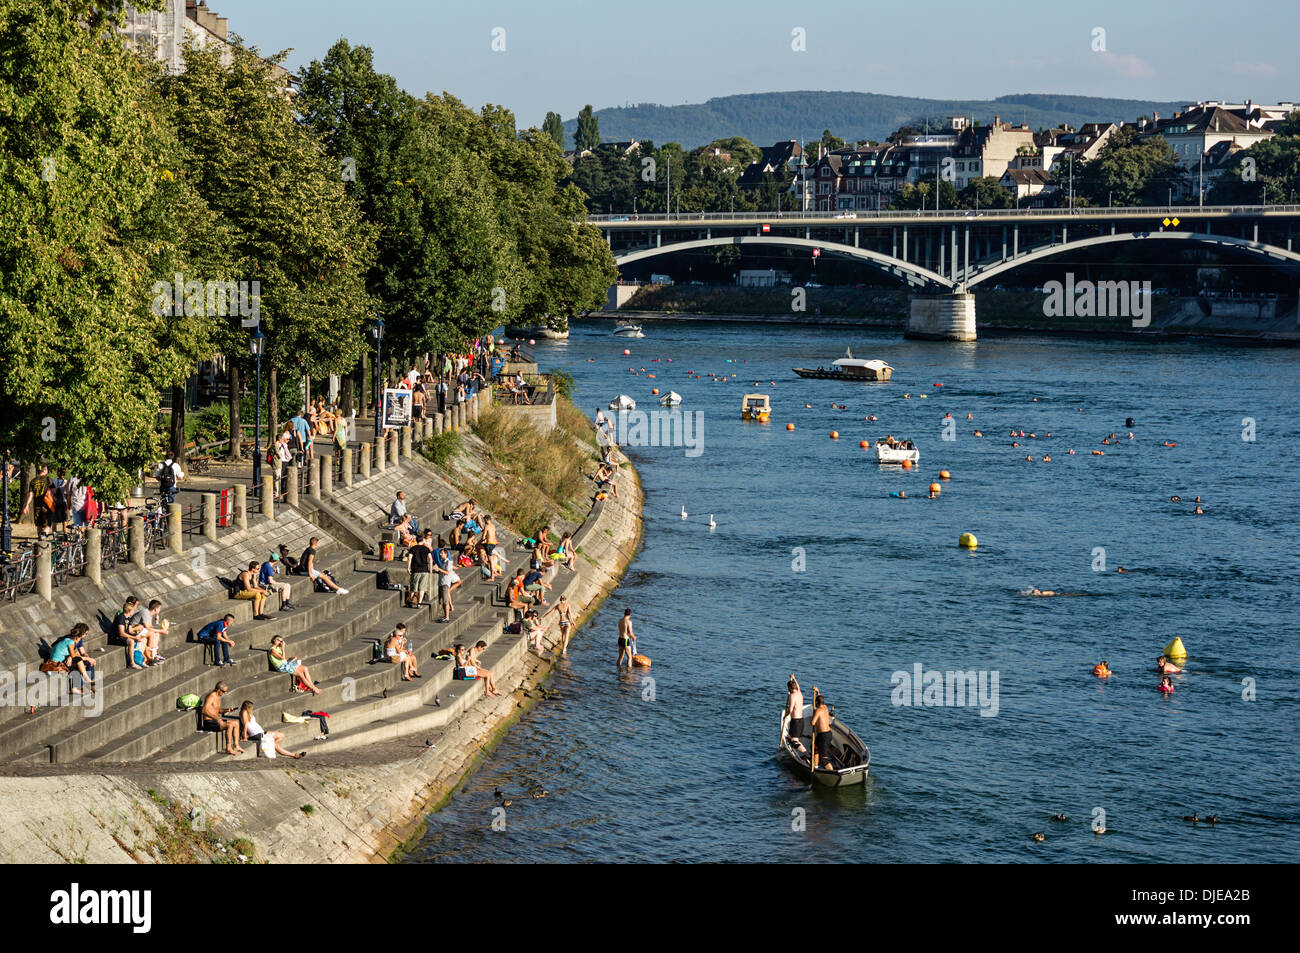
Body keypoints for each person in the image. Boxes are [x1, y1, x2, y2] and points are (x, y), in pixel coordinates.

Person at [238, 700, 304, 759]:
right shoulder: (244, 712)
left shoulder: (247, 713)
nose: (252, 709)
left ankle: (294, 755)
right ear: (248, 707)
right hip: (257, 734)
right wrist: (244, 737)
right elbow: (246, 725)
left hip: (260, 733)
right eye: (251, 707)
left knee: (277, 744)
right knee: (281, 735)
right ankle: (293, 754)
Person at [200, 682, 243, 755]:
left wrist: (227, 710)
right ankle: (228, 748)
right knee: (229, 725)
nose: (225, 693)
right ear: (218, 690)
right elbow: (204, 710)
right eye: (223, 691)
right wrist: (217, 719)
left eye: (226, 691)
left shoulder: (218, 696)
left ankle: (236, 746)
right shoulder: (211, 696)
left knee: (236, 723)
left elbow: (218, 710)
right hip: (209, 722)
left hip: (215, 720)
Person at [113, 597, 149, 670]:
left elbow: (129, 631)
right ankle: (132, 663)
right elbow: (122, 633)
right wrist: (134, 638)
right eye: (133, 610)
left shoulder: (128, 618)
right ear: (130, 610)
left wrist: (138, 634)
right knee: (131, 641)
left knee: (142, 638)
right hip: (116, 638)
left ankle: (140, 660)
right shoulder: (121, 618)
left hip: (123, 636)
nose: (134, 611)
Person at [20, 463, 56, 537]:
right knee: (47, 524)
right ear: (45, 470)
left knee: (39, 525)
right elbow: (53, 492)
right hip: (47, 506)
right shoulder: (48, 479)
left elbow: (30, 495)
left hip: (37, 506)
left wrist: (27, 505)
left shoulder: (33, 481)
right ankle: (43, 538)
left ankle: (40, 539)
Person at [406, 530, 433, 608]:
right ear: (423, 540)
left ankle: (410, 601)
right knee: (422, 588)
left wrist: (408, 567)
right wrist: (430, 569)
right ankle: (419, 603)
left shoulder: (413, 548)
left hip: (415, 570)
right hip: (424, 570)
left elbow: (409, 558)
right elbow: (430, 559)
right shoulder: (426, 549)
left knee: (413, 587)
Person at [810, 691, 833, 770]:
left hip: (824, 736)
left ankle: (832, 773)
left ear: (816, 702)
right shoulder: (825, 707)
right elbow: (820, 699)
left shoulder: (818, 710)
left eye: (815, 703)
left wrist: (814, 714)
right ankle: (816, 766)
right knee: (815, 748)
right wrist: (817, 692)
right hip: (826, 734)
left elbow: (812, 723)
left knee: (824, 758)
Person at [785, 676, 805, 740]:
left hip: (795, 721)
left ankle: (804, 750)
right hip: (801, 720)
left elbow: (790, 710)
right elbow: (798, 686)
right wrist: (794, 678)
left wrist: (785, 716)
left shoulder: (792, 696)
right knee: (792, 737)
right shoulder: (799, 693)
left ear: (789, 688)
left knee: (795, 741)